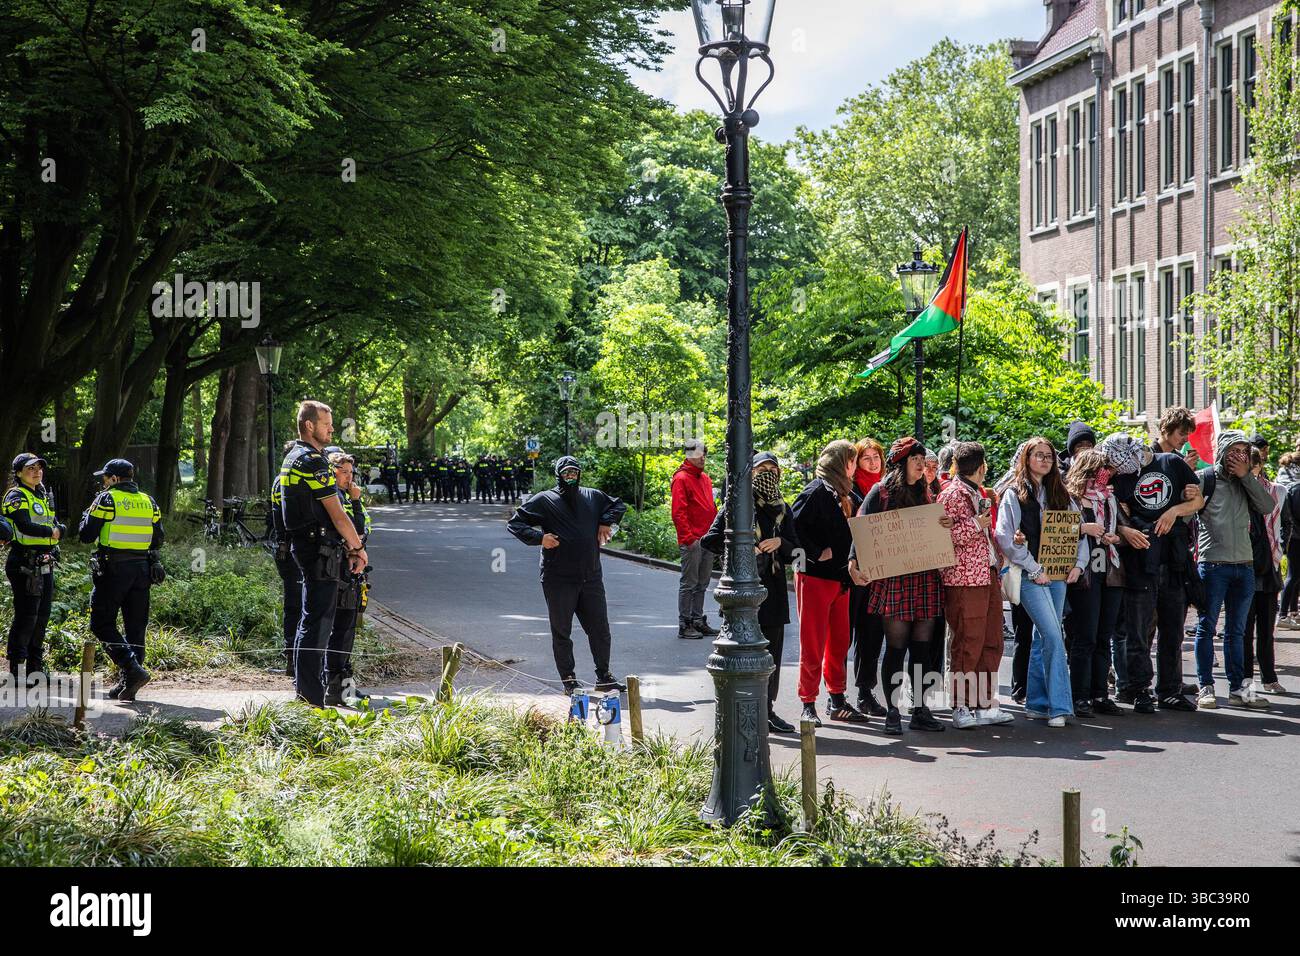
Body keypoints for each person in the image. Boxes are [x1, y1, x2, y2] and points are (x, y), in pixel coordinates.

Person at [849, 437, 952, 734]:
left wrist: (943, 525)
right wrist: (853, 563)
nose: (922, 464)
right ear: (901, 463)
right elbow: (862, 528)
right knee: (895, 648)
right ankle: (893, 711)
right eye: (915, 459)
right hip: (895, 579)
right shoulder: (879, 493)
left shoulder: (929, 491)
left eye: (923, 458)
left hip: (924, 577)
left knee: (922, 649)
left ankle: (920, 709)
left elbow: (937, 527)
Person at [507, 457, 626, 693]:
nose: (571, 476)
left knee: (600, 629)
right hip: (558, 578)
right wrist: (540, 538)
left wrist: (605, 521)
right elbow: (516, 523)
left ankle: (604, 676)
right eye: (566, 473)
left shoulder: (592, 496)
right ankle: (569, 679)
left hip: (590, 576)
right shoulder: (544, 500)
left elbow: (618, 505)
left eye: (575, 472)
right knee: (562, 631)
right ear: (558, 474)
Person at [701, 452, 800, 733]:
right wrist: (745, 547)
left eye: (773, 469)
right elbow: (709, 540)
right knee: (742, 656)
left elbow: (797, 551)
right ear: (750, 473)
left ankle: (767, 710)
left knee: (771, 657)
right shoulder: (737, 505)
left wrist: (780, 542)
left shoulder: (784, 508)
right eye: (761, 469)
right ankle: (742, 711)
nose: (768, 473)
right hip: (743, 596)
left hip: (774, 593)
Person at [278, 401, 369, 708]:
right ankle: (310, 699)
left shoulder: (293, 458)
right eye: (327, 424)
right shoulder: (312, 461)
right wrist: (357, 548)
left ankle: (309, 694)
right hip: (317, 550)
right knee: (317, 625)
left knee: (312, 621)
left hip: (311, 546)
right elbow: (337, 512)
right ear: (309, 426)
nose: (332, 428)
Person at [993, 438, 1085, 728]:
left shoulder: (1063, 494)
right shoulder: (1014, 495)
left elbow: (1078, 532)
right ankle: (1060, 706)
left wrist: (1079, 566)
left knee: (1040, 638)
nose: (1045, 460)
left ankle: (1036, 703)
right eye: (1038, 455)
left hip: (1059, 575)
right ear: (1026, 459)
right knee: (1054, 634)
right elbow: (1004, 537)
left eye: (1048, 456)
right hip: (1030, 576)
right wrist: (1034, 569)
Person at [1108, 431, 1202, 713]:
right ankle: (1138, 689)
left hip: (1173, 560)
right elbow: (1113, 512)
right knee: (1138, 631)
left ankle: (1170, 690)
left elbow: (1199, 501)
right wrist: (1125, 529)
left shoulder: (1172, 463)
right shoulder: (1122, 476)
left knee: (1173, 630)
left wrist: (1175, 511)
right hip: (1140, 559)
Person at [1192, 429, 1276, 710]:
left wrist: (1246, 477)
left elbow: (1267, 506)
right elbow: (1188, 511)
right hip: (1213, 564)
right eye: (1235, 451)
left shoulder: (1246, 482)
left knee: (1237, 631)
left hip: (1245, 565)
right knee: (1207, 626)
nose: (1240, 457)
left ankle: (1239, 688)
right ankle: (1206, 686)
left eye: (1244, 452)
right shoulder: (1207, 479)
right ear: (1223, 452)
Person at [937, 441, 1014, 728]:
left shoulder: (977, 492)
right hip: (963, 579)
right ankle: (961, 706)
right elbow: (941, 537)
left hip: (986, 575)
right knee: (968, 642)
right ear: (982, 466)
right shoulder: (952, 494)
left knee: (992, 640)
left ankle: (983, 704)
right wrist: (977, 524)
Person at [792, 439, 865, 726]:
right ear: (839, 462)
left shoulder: (846, 493)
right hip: (814, 579)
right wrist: (815, 552)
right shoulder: (814, 492)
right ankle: (807, 702)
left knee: (839, 642)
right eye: (851, 460)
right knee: (813, 642)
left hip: (840, 581)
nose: (854, 466)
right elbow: (792, 527)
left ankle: (837, 699)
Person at [78, 458, 164, 702]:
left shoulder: (107, 499)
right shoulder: (149, 501)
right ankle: (129, 682)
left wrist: (87, 515)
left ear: (114, 478)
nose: (103, 482)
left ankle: (131, 668)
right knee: (136, 626)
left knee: (101, 623)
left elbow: (86, 535)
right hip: (141, 570)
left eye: (105, 478)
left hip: (113, 570)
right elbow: (158, 539)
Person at [1062, 449, 1125, 717]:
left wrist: (1114, 537)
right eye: (1101, 471)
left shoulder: (1109, 499)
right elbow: (1057, 531)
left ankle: (1100, 693)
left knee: (1103, 635)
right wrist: (1083, 529)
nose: (1106, 476)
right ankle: (1080, 696)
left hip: (1108, 572)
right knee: (1084, 636)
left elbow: (1122, 530)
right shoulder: (1071, 500)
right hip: (1084, 574)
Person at [3, 453, 64, 686]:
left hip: (45, 562)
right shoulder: (16, 495)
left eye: (39, 467)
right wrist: (52, 532)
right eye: (30, 468)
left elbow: (53, 522)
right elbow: (24, 525)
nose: (37, 471)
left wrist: (59, 529)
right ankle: (16, 670)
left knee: (42, 616)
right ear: (19, 473)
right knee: (26, 617)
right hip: (24, 563)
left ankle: (35, 669)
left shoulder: (43, 493)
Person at [323, 452, 373, 705]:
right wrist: (355, 502)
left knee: (347, 631)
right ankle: (335, 689)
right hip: (339, 570)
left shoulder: (345, 494)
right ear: (331, 471)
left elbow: (363, 532)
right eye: (344, 472)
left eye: (351, 472)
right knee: (339, 631)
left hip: (352, 571)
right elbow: (357, 528)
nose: (349, 477)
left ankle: (344, 686)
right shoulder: (336, 497)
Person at [1242, 447, 1286, 695]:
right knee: (1244, 629)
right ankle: (1246, 679)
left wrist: (1277, 552)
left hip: (1268, 566)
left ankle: (1268, 677)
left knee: (1266, 629)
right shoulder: (1238, 493)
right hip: (1245, 563)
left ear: (1258, 466)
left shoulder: (1277, 491)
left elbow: (1286, 524)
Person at [849, 438, 886, 715]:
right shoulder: (849, 489)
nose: (873, 463)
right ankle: (835, 694)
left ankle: (865, 691)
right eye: (867, 458)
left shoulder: (888, 489)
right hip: (853, 574)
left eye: (877, 457)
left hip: (880, 573)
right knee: (844, 637)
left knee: (872, 635)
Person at [671, 439, 718, 640]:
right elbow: (678, 512)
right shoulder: (681, 478)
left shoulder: (705, 479)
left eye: (704, 454)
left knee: (703, 583)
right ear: (689, 455)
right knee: (689, 583)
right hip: (693, 540)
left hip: (707, 538)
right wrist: (689, 539)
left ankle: (697, 620)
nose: (703, 458)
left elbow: (711, 508)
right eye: (699, 454)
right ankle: (685, 623)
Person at [269, 441, 301, 677]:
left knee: (295, 602)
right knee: (296, 603)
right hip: (290, 550)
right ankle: (293, 656)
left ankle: (293, 655)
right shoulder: (285, 482)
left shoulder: (279, 481)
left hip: (285, 548)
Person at [1277, 451, 1300, 629]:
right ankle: (1284, 614)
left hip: (1294, 537)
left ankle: (1291, 612)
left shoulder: (1292, 488)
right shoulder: (1296, 488)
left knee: (1295, 576)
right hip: (1297, 538)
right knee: (1293, 576)